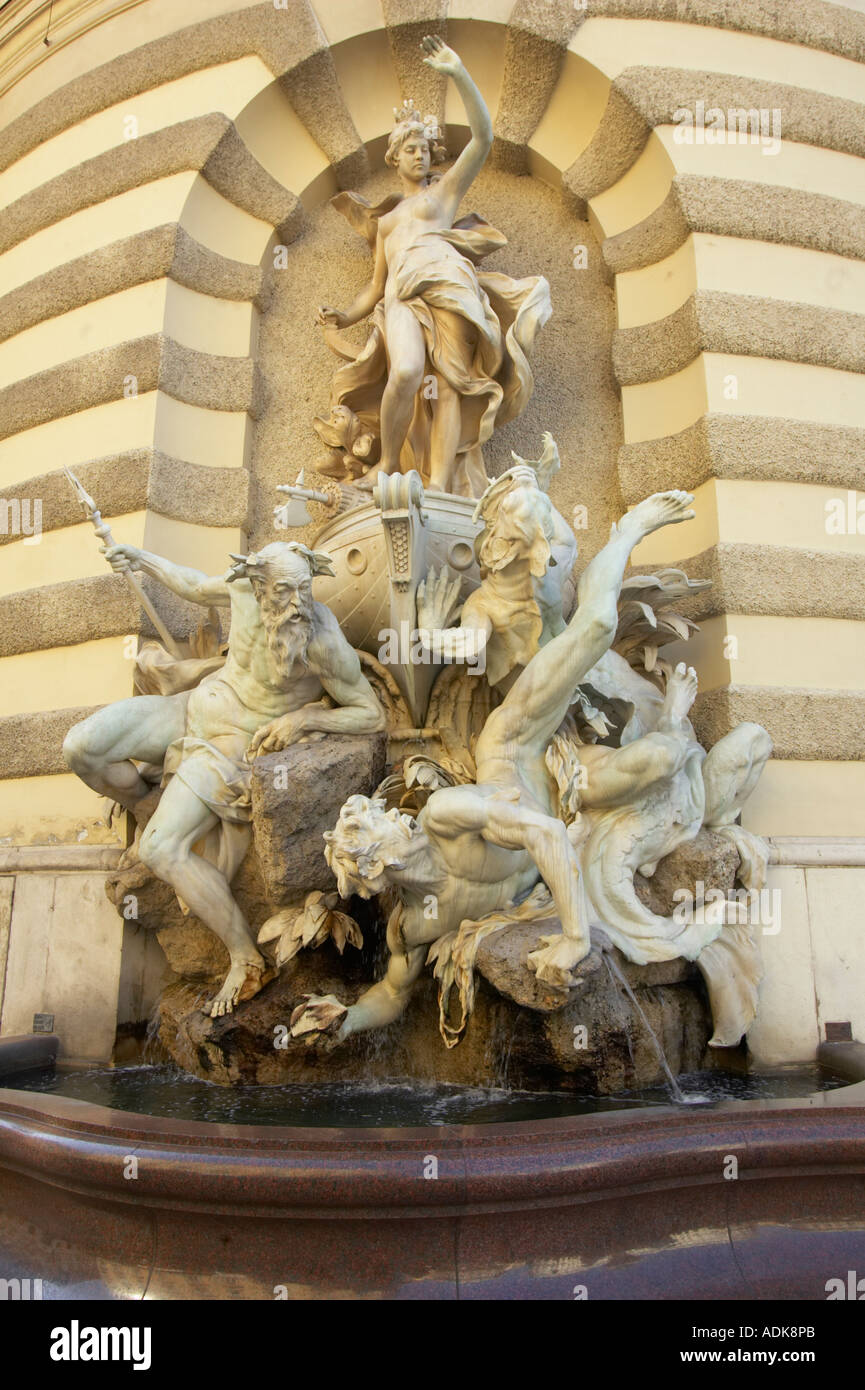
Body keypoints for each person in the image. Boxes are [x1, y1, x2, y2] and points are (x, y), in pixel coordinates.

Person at [291, 491, 699, 1043]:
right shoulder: (412, 927)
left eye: (370, 816)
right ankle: (673, 723)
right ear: (372, 870)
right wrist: (348, 1019)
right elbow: (391, 992)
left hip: (515, 748)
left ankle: (628, 528)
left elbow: (547, 834)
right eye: (368, 827)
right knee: (661, 759)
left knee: (597, 624)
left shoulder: (444, 816)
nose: (388, 815)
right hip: (561, 792)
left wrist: (576, 936)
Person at [63, 541, 385, 1016]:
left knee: (159, 849)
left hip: (230, 745)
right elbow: (192, 583)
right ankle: (145, 803)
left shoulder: (320, 638)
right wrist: (139, 558)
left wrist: (306, 720)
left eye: (304, 588)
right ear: (257, 585)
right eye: (284, 591)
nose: (298, 603)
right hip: (192, 708)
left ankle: (245, 957)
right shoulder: (240, 588)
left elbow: (370, 713)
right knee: (80, 747)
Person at [316, 35, 550, 497]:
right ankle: (386, 462)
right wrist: (345, 315)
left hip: (448, 287)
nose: (420, 155)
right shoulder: (386, 224)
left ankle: (440, 484)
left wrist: (459, 73)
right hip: (401, 295)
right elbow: (376, 285)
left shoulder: (442, 196)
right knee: (405, 373)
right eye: (410, 149)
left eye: (425, 148)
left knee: (448, 386)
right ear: (394, 157)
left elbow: (482, 139)